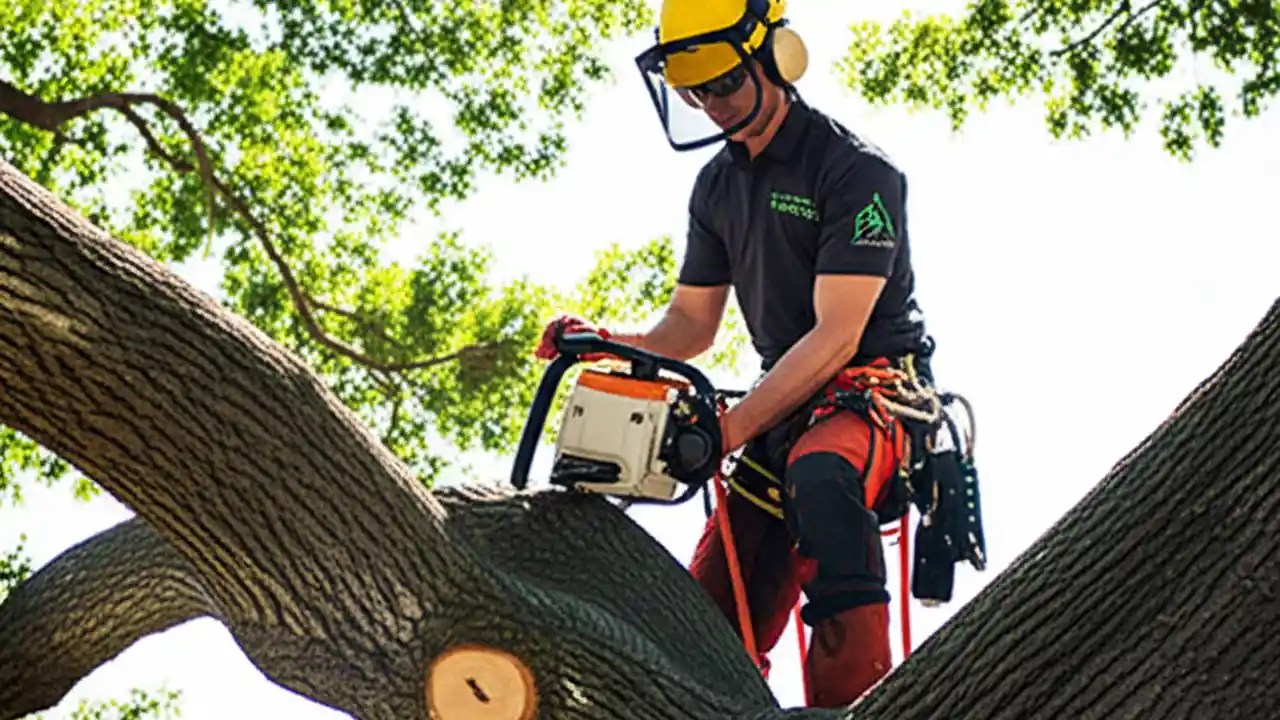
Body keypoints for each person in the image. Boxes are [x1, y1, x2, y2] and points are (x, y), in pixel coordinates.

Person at [535, 0, 943, 707]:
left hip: (871, 395)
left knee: (820, 478)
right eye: (693, 90)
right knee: (717, 590)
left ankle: (858, 703)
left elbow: (837, 335)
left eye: (722, 83)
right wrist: (603, 343)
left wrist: (730, 429)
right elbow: (690, 328)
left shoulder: (854, 172)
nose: (710, 104)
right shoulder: (716, 187)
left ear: (777, 57)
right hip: (784, 407)